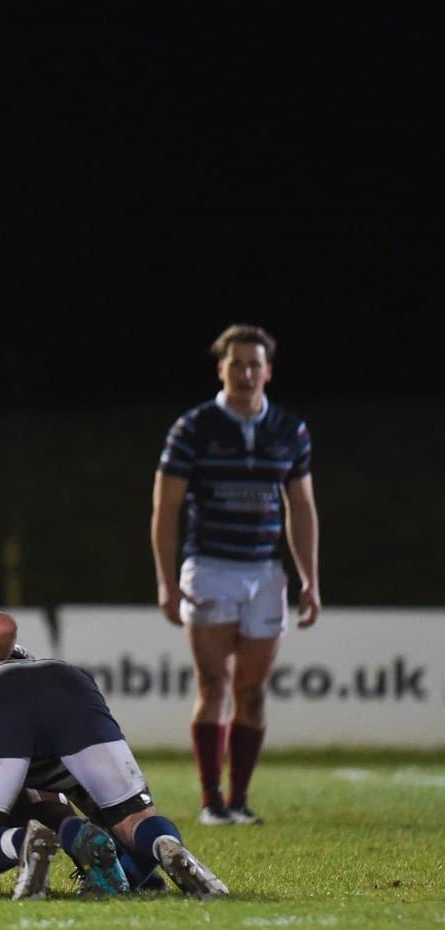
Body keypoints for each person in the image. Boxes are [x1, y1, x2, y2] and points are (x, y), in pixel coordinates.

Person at [151, 324, 320, 825]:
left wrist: (309, 578)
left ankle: (240, 799)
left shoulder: (290, 430)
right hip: (210, 567)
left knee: (253, 690)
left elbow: (303, 507)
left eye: (255, 364)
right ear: (220, 368)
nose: (246, 372)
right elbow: (166, 509)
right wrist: (166, 581)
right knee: (213, 684)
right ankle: (211, 801)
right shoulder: (193, 428)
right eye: (237, 363)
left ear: (269, 370)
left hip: (265, 573)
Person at [0, 654, 230, 900]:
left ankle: (25, 841)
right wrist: (133, 874)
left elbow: (43, 808)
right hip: (70, 682)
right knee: (133, 819)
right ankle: (166, 844)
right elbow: (69, 807)